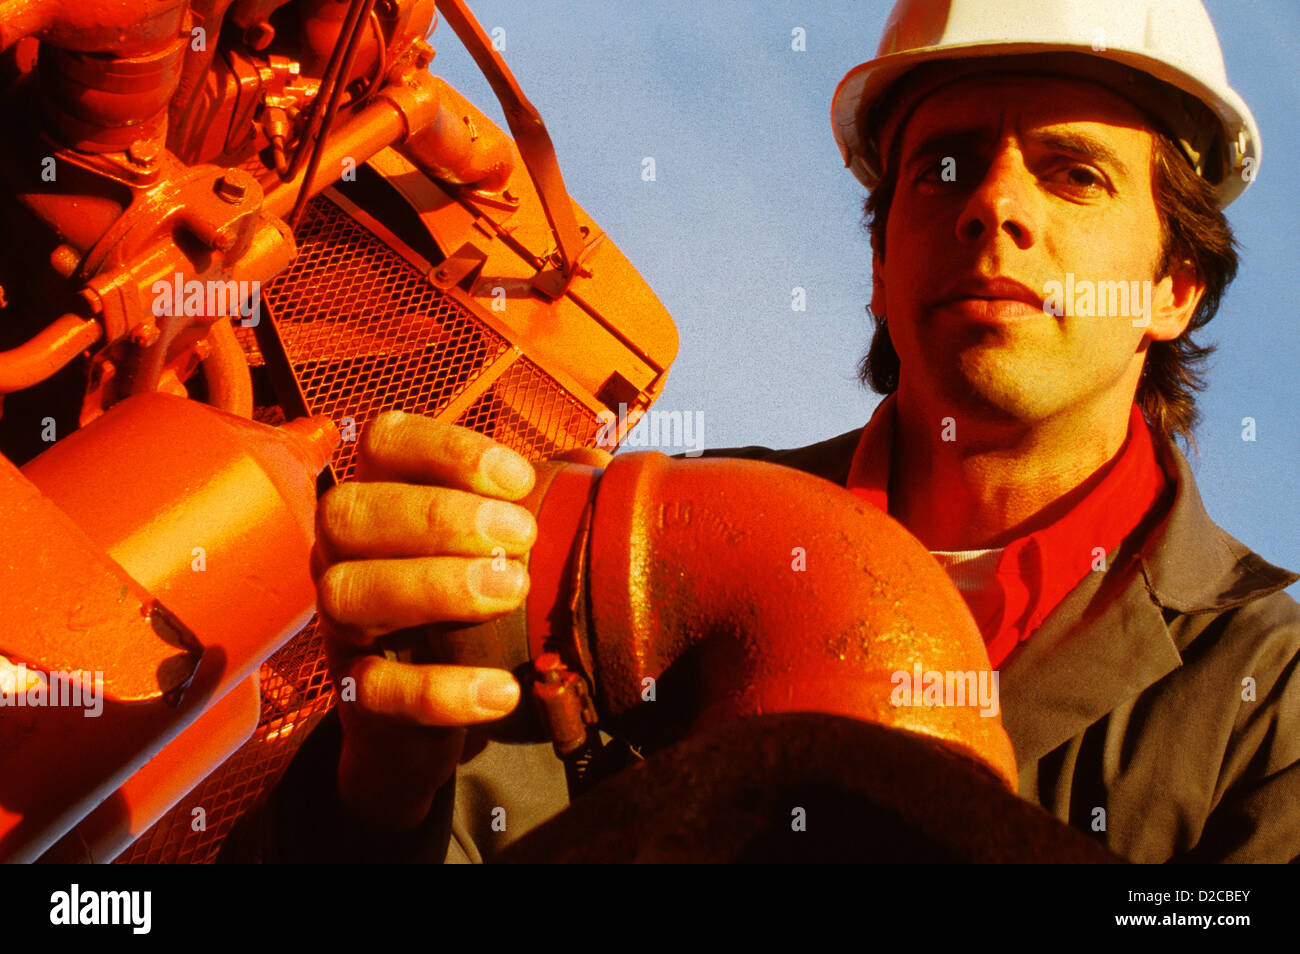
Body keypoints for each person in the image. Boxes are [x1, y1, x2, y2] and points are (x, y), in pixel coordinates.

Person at [237, 0, 1300, 863]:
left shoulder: (1267, 690)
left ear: (1173, 286)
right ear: (882, 270)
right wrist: (372, 808)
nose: (992, 207)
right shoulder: (654, 561)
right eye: (944, 168)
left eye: (1074, 172)